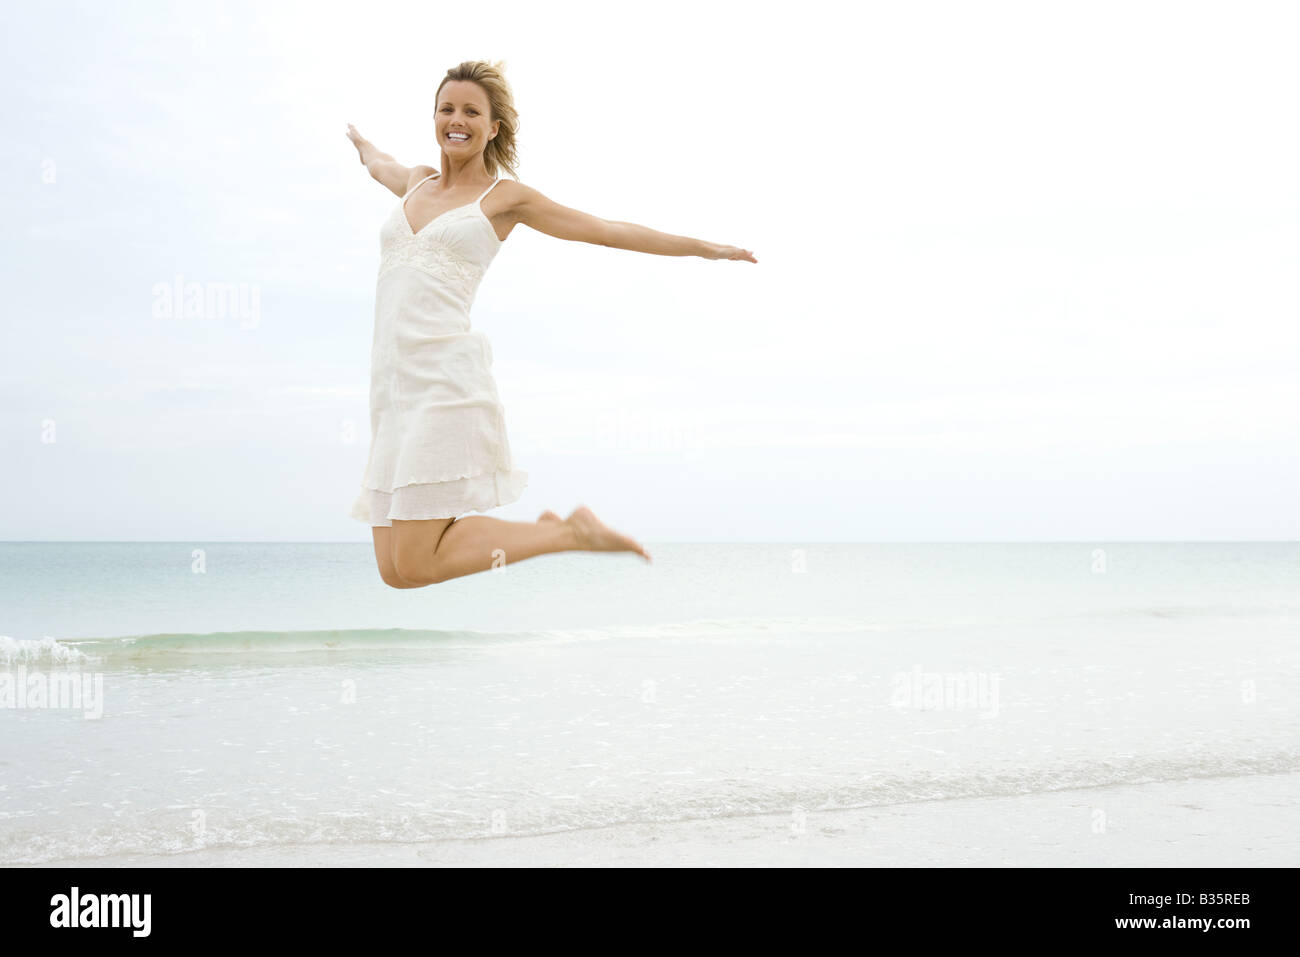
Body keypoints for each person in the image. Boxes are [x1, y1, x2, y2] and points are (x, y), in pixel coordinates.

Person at [345, 60, 756, 587]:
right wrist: (359, 142)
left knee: (419, 560)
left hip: (444, 383)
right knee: (397, 572)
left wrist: (704, 249)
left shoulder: (504, 199)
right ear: (434, 117)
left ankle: (569, 535)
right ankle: (559, 533)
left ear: (492, 128)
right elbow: (378, 162)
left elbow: (605, 229)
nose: (457, 119)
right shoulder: (414, 183)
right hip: (391, 392)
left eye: (472, 111)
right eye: (447, 108)